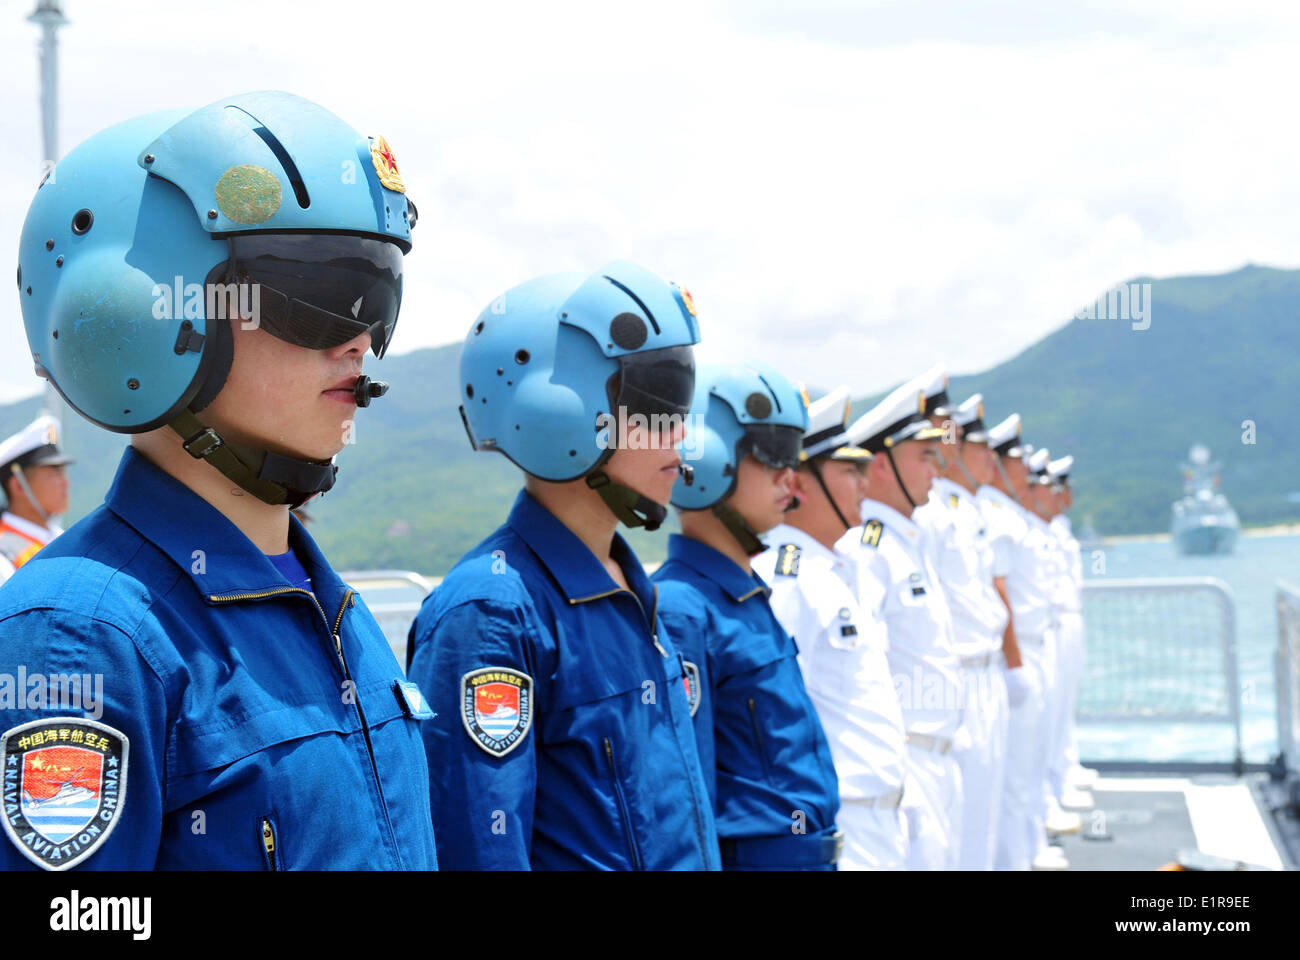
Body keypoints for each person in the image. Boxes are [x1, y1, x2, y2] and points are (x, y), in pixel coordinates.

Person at [0, 91, 437, 870]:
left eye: (379, 300)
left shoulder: (332, 609)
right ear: (147, 316)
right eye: (324, 298)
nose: (363, 341)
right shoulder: (78, 637)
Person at [406, 261, 720, 870]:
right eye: (658, 400)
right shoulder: (492, 614)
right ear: (559, 413)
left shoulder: (636, 591)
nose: (681, 430)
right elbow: (481, 850)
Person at [653, 363, 841, 870]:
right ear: (709, 461)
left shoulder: (744, 596)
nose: (791, 477)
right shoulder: (680, 608)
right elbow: (685, 796)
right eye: (772, 453)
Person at [755, 386, 910, 869]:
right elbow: (772, 722)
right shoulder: (787, 577)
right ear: (799, 483)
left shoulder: (834, 569)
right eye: (849, 471)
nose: (864, 484)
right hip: (844, 824)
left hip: (880, 816)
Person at [840, 375, 963, 870]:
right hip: (907, 765)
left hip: (935, 759)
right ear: (883, 464)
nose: (936, 468)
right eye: (924, 456)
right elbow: (864, 671)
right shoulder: (867, 549)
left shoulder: (905, 539)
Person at [913, 389, 1010, 870]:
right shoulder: (923, 513)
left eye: (952, 428)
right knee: (959, 818)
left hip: (983, 669)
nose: (946, 437)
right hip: (955, 676)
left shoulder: (959, 505)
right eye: (940, 426)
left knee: (984, 808)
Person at [979, 415, 1063, 870]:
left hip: (1034, 643)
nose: (1026, 476)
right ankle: (1016, 859)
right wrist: (1014, 664)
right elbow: (1000, 591)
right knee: (1011, 778)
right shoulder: (993, 515)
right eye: (1017, 465)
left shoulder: (1006, 513)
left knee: (1025, 767)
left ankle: (1027, 848)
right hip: (1016, 651)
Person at [0, 414, 73, 584]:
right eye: (55, 472)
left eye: (63, 472)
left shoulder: (60, 537)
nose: (65, 482)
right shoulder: (5, 553)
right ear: (19, 485)